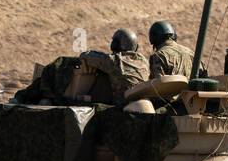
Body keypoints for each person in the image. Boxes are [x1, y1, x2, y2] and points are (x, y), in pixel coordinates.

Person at [12, 28, 151, 105]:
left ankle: (26, 97)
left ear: (115, 45)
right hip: (135, 104)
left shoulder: (114, 62)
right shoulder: (143, 62)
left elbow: (86, 56)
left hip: (117, 107)